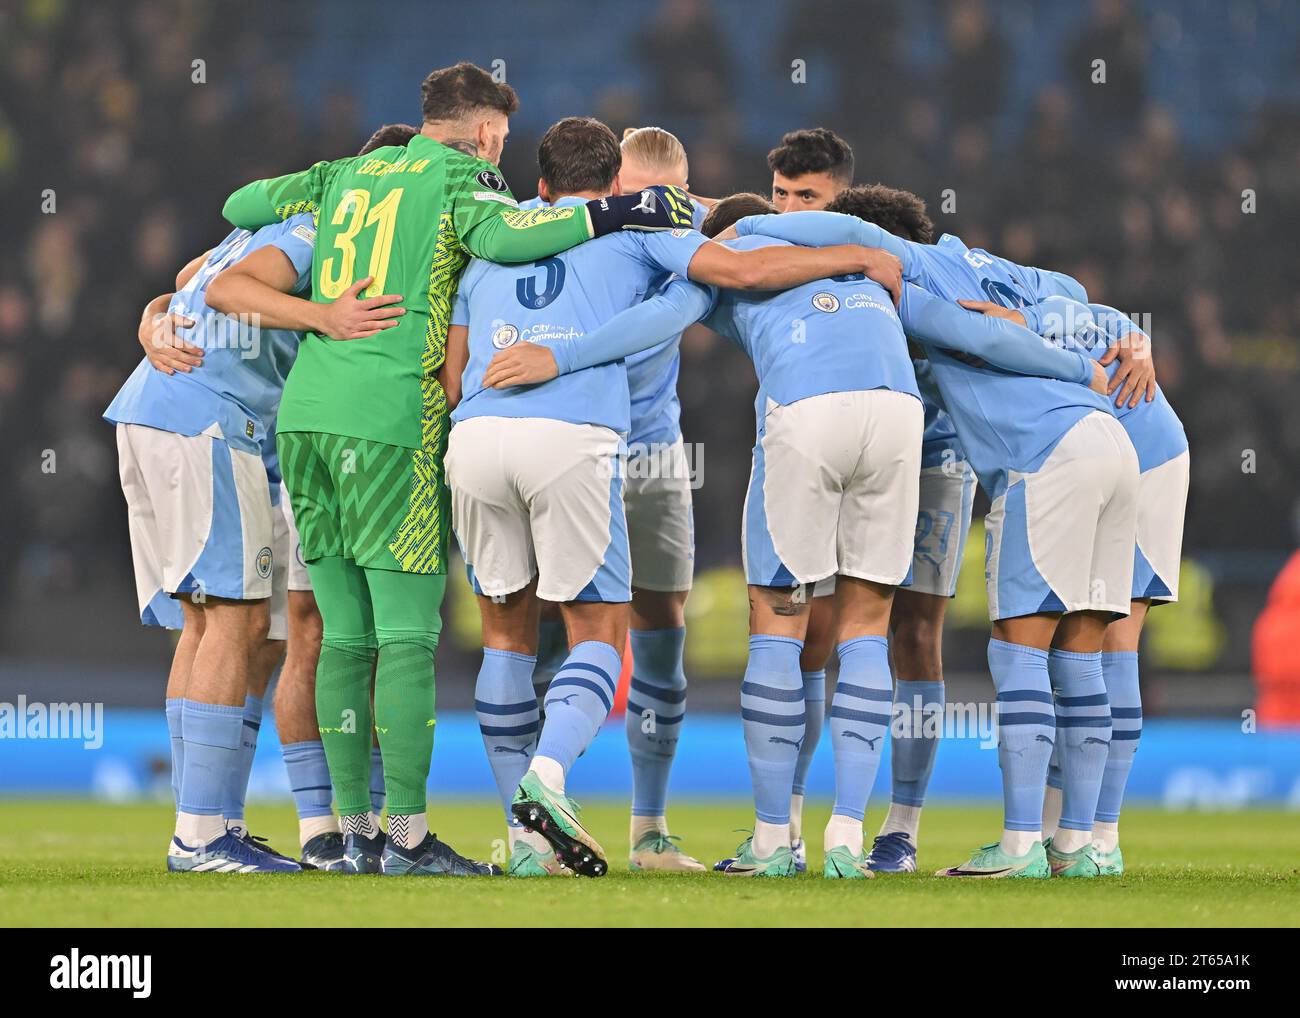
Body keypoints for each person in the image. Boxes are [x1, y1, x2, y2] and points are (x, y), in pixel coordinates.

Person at [482, 191, 1106, 877]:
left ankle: (776, 840)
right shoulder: (870, 269)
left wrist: (561, 358)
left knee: (778, 618)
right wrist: (1085, 363)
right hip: (898, 416)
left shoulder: (734, 255)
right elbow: (987, 328)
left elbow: (661, 317)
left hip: (808, 411)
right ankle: (846, 835)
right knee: (868, 624)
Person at [218, 65, 696, 877]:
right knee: (405, 638)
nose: (500, 154)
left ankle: (351, 836)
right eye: (499, 139)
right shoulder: (460, 177)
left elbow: (240, 207)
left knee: (343, 635)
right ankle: (404, 841)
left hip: (305, 418)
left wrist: (318, 314)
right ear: (481, 132)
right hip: (388, 421)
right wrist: (624, 208)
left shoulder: (344, 173)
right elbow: (511, 238)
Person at [448, 120, 902, 878]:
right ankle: (540, 817)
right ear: (607, 188)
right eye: (626, 195)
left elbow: (748, 229)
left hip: (641, 448)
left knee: (654, 632)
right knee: (576, 629)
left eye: (658, 197)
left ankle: (643, 828)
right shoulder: (629, 228)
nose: (640, 204)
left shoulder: (629, 222)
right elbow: (735, 272)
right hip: (582, 438)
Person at [734, 194, 1144, 878]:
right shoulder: (988, 271)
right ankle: (1082, 841)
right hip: (1100, 443)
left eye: (802, 198)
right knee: (1079, 651)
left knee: (964, 643)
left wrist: (744, 225)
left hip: (966, 456)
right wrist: (1131, 338)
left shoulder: (912, 279)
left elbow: (986, 332)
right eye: (781, 196)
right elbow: (1073, 297)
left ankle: (934, 833)